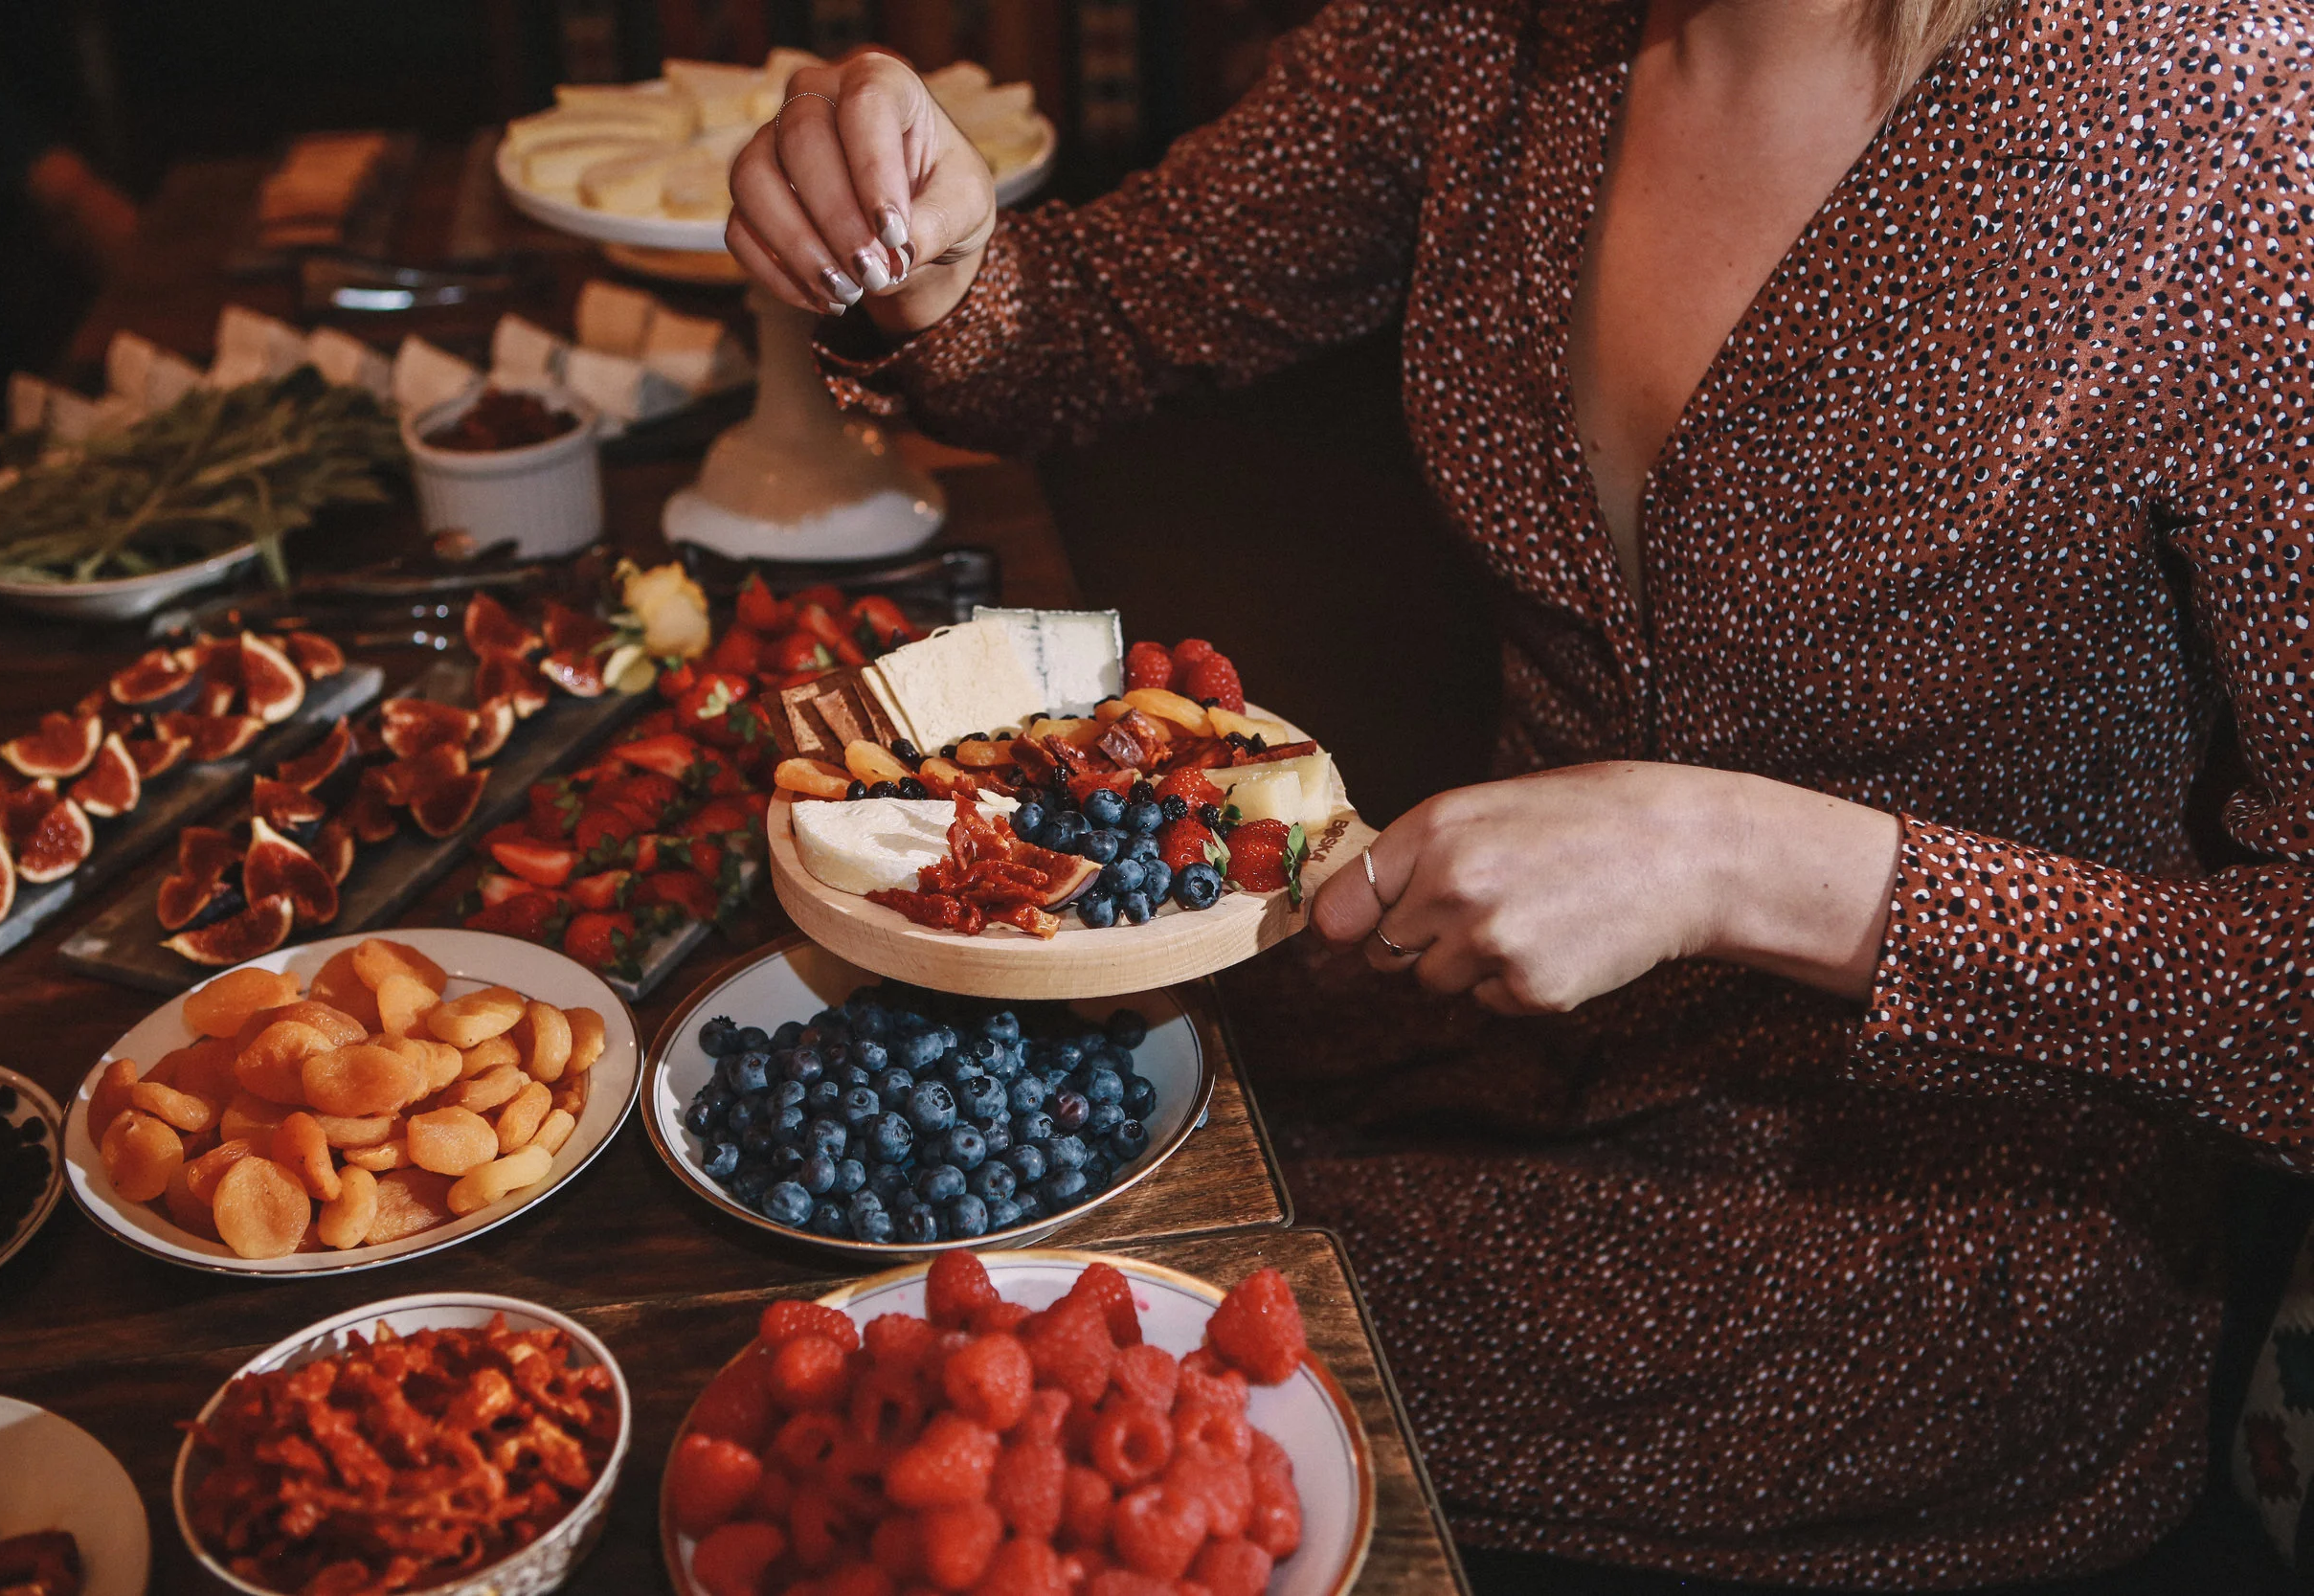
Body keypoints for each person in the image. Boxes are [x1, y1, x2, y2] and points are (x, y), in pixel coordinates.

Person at [726, 0, 2314, 1584]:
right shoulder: (1481, 30)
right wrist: (918, 240)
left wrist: (1742, 863)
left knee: (1011, 1375)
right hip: (1448, 1043)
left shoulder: (2227, 123)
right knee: (885, 1271)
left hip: (1918, 1226)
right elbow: (1082, 320)